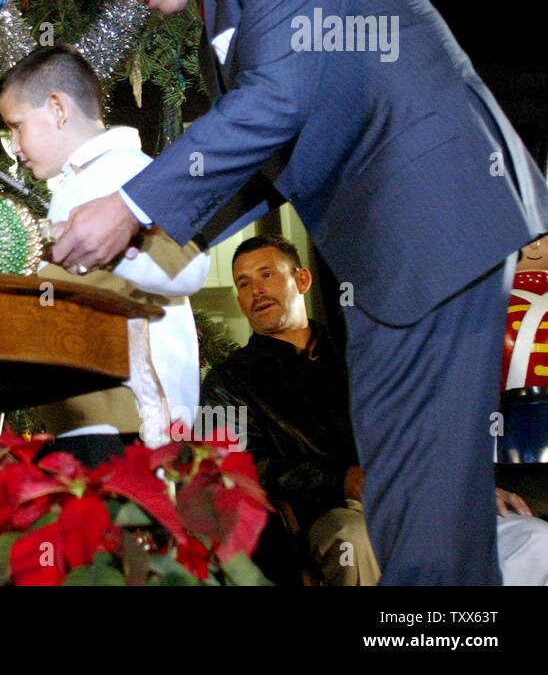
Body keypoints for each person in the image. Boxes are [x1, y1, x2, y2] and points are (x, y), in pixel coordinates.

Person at [46, 0, 548, 584]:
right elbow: (261, 159)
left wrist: (129, 204)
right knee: (413, 503)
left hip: (436, 226)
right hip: (390, 262)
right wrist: (143, 249)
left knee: (424, 513)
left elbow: (279, 98)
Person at [206, 234, 548, 585]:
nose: (256, 290)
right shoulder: (228, 380)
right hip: (332, 514)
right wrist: (340, 479)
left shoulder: (366, 350)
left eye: (267, 274)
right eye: (244, 283)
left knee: (534, 540)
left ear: (303, 280)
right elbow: (232, 466)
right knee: (356, 541)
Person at [0, 44, 209, 459]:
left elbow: (191, 266)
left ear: (58, 108)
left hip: (136, 426)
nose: (15, 146)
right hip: (93, 420)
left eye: (17, 126)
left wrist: (110, 243)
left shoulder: (125, 170)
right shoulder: (78, 184)